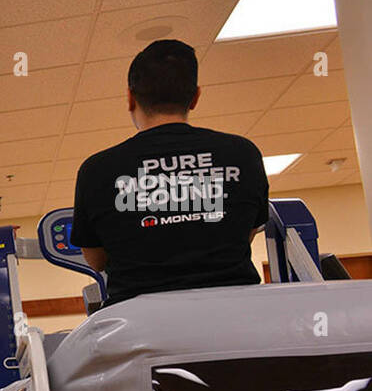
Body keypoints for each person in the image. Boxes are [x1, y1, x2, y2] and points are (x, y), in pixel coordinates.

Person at [70, 39, 270, 305]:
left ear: (130, 98)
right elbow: (245, 233)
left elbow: (96, 261)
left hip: (139, 330)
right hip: (235, 318)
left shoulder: (96, 170)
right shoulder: (243, 154)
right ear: (195, 97)